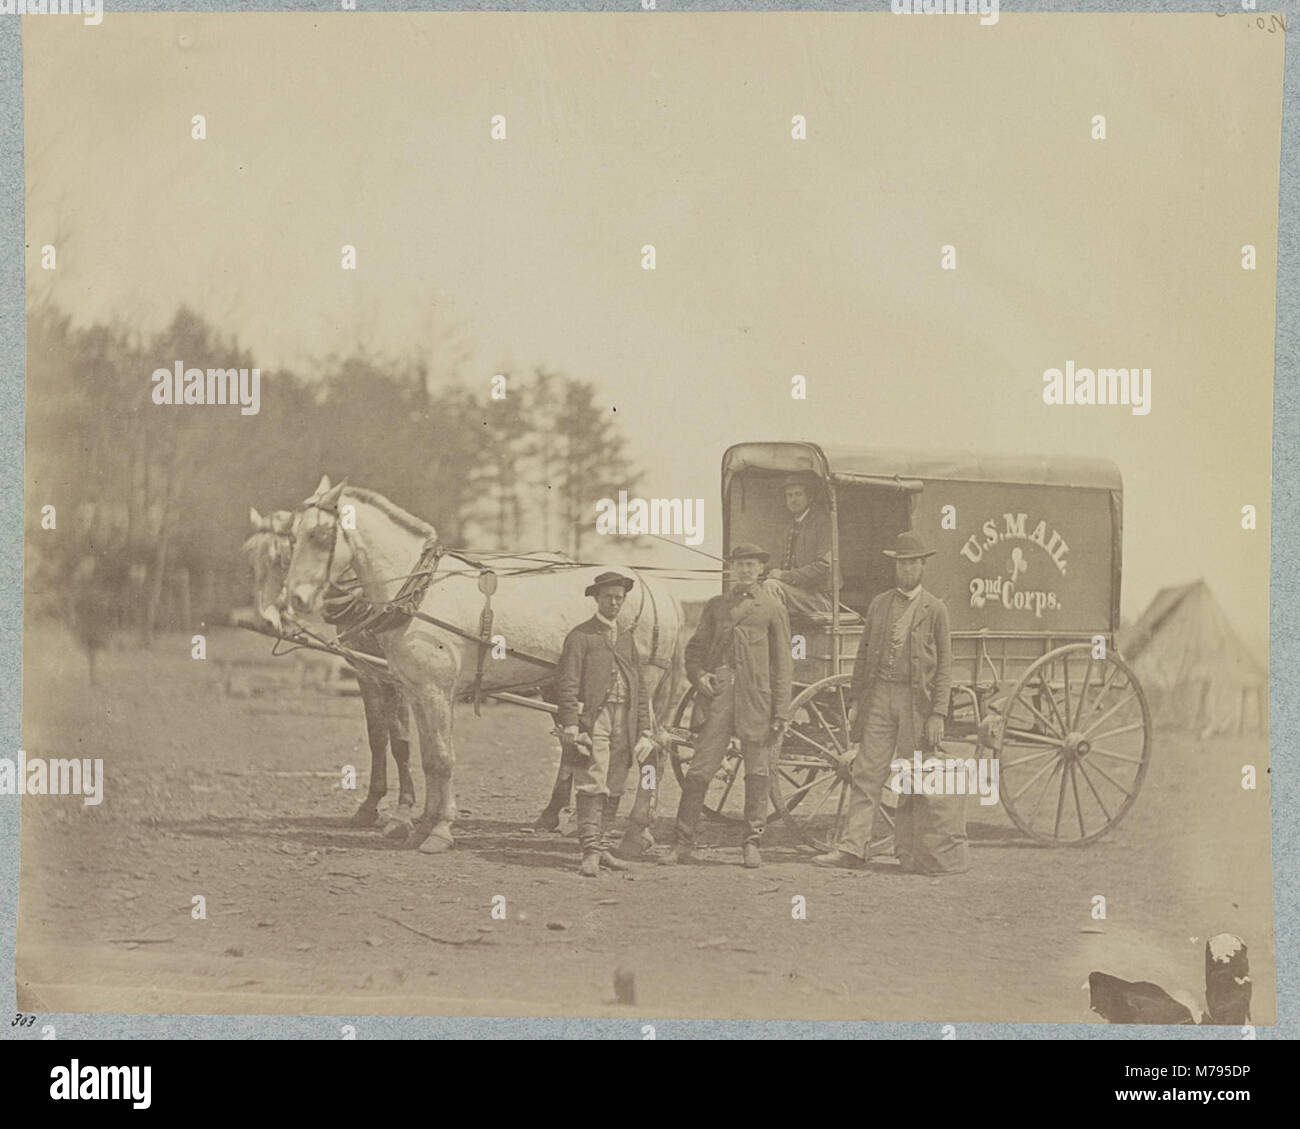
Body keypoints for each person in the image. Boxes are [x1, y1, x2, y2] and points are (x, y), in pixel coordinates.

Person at [812, 530, 968, 875]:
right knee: (867, 772)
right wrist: (856, 699)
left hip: (917, 702)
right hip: (879, 695)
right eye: (901, 564)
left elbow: (945, 667)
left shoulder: (935, 609)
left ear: (922, 566)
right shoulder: (880, 604)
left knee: (911, 778)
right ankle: (853, 848)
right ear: (894, 566)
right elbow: (863, 656)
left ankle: (908, 853)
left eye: (912, 564)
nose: (906, 570)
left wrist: (938, 713)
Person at [662, 544, 793, 868]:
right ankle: (682, 842)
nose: (745, 570)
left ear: (761, 569)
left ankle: (751, 842)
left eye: (751, 565)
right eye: (740, 565)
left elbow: (783, 664)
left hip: (756, 700)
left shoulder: (772, 608)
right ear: (732, 569)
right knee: (700, 769)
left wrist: (780, 711)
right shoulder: (716, 606)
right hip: (719, 697)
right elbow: (693, 652)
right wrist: (699, 676)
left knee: (757, 772)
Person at [555, 572, 657, 877]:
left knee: (615, 783)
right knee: (591, 779)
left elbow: (639, 689)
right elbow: (567, 683)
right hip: (595, 718)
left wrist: (644, 729)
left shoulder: (626, 639)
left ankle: (602, 848)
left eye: (619, 598)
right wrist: (571, 723)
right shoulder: (581, 636)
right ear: (597, 599)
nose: (614, 603)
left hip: (624, 719)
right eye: (608, 597)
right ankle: (589, 853)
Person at [763, 474, 836, 618]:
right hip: (795, 593)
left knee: (771, 587)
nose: (793, 500)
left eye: (798, 494)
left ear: (809, 497)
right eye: (789, 495)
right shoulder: (790, 525)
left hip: (819, 597)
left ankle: (779, 639)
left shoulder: (822, 523)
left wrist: (784, 575)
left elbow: (824, 566)